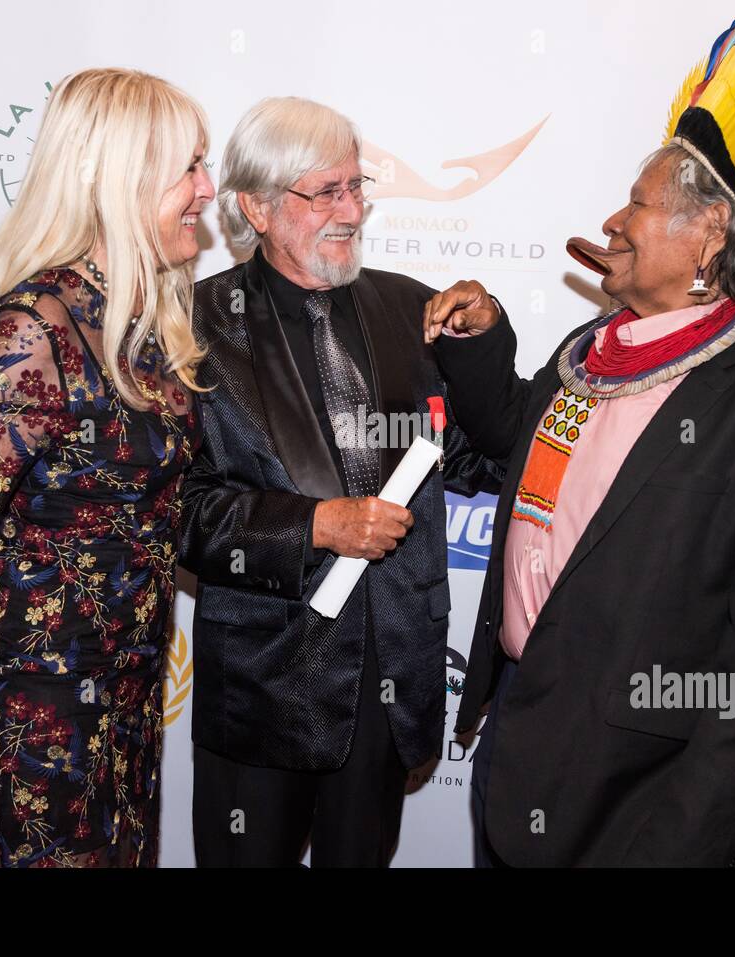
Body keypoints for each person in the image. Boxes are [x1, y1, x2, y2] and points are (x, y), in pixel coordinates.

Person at [424, 6, 735, 867]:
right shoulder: (591, 350)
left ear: (707, 235)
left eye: (638, 204)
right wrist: (481, 341)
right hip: (521, 740)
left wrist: (685, 842)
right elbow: (517, 444)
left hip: (642, 797)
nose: (616, 223)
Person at [0, 67, 215, 867]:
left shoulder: (137, 325)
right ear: (123, 179)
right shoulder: (30, 334)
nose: (207, 188)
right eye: (189, 167)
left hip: (121, 716)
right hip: (28, 730)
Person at [180, 96, 501, 867]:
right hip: (265, 686)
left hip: (386, 685)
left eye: (357, 187)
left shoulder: (408, 308)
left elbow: (481, 454)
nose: (352, 210)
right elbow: (174, 513)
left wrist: (486, 348)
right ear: (255, 207)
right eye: (327, 192)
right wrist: (313, 526)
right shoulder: (190, 325)